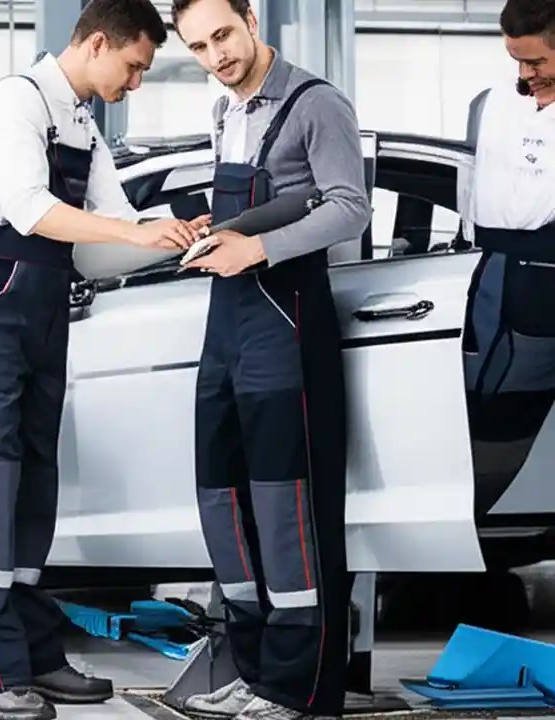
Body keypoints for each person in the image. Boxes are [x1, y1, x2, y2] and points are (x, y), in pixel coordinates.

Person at [0, 1, 207, 718]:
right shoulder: (12, 104)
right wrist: (134, 233)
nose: (137, 82)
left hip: (46, 312)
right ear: (95, 43)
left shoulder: (82, 123)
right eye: (135, 65)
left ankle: (37, 655)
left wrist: (172, 236)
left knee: (32, 485)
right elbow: (29, 209)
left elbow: (103, 240)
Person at [168, 1, 373, 719]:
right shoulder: (224, 110)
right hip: (226, 325)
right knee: (224, 499)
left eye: (223, 35)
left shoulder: (318, 104)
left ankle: (299, 688)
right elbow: (268, 201)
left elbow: (350, 206)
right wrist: (213, 231)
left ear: (251, 19)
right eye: (198, 46)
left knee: (289, 511)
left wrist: (253, 249)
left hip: (287, 320)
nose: (216, 55)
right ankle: (254, 670)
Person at [459, 0, 555, 513]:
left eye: (535, 63)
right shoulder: (489, 103)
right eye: (515, 60)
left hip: (543, 293)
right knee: (479, 417)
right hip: (485, 286)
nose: (524, 75)